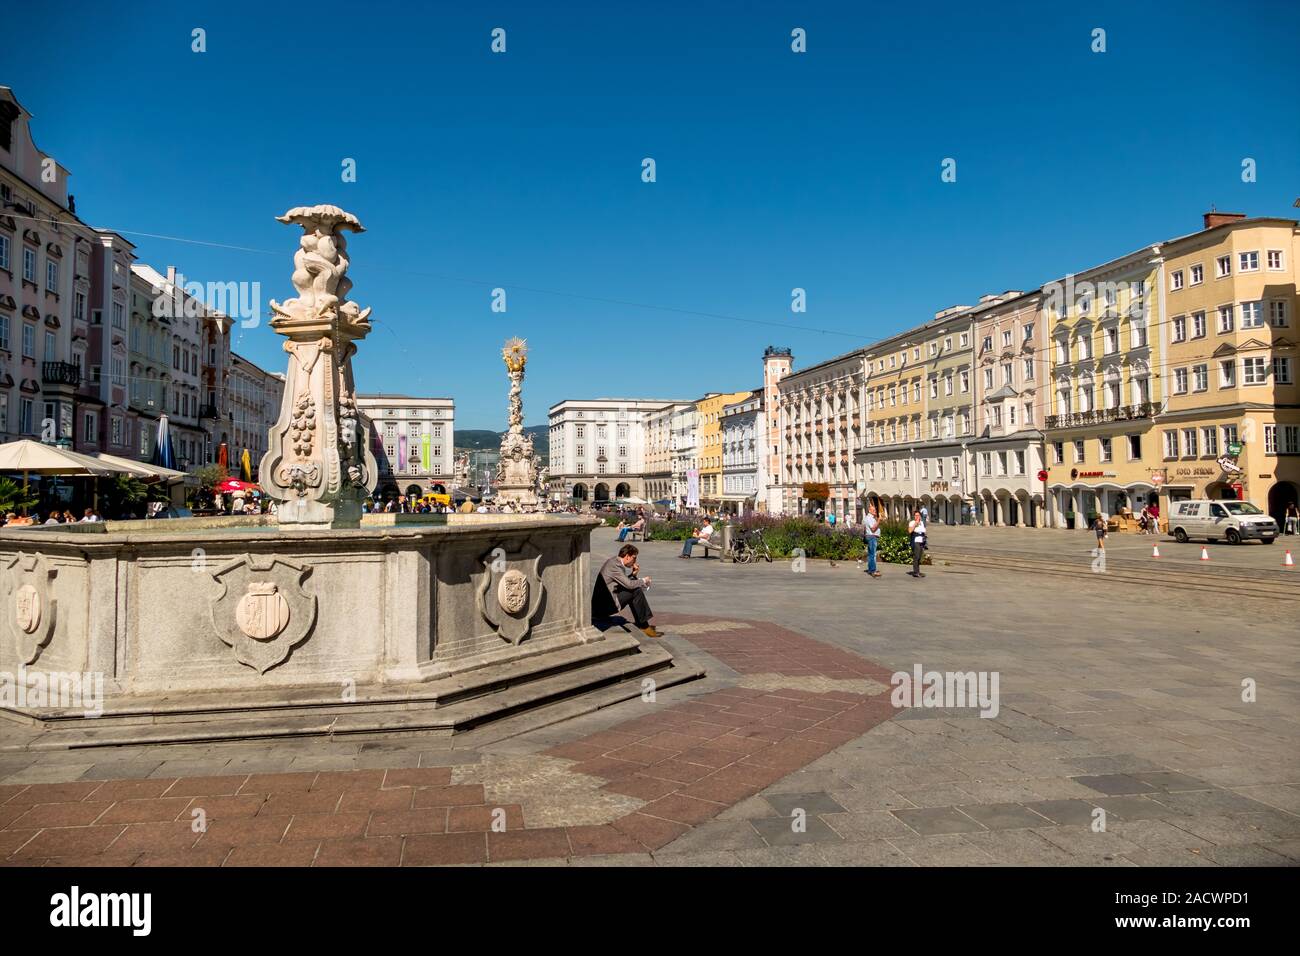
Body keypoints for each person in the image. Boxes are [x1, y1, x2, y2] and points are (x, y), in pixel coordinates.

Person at [593, 544, 662, 638]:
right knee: (636, 591)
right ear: (627, 556)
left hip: (602, 605)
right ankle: (644, 627)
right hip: (603, 608)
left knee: (634, 590)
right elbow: (629, 585)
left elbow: (623, 582)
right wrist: (644, 580)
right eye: (634, 558)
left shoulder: (614, 562)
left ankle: (642, 624)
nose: (635, 561)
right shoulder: (615, 566)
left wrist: (633, 575)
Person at [863, 503, 882, 578]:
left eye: (875, 510)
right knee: (873, 554)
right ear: (869, 510)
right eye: (873, 510)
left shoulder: (870, 518)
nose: (875, 511)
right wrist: (879, 521)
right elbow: (873, 528)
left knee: (871, 554)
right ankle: (873, 570)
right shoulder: (869, 518)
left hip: (870, 536)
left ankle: (871, 569)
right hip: (872, 536)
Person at [907, 510, 926, 578]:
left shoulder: (922, 523)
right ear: (914, 516)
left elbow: (923, 531)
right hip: (915, 541)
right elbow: (909, 531)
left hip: (921, 541)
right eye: (916, 515)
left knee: (920, 557)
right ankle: (916, 572)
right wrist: (915, 524)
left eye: (918, 515)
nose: (917, 517)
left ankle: (918, 571)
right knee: (916, 556)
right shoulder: (912, 522)